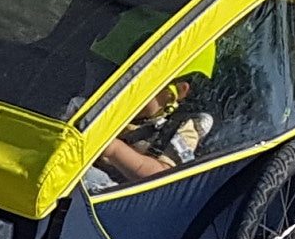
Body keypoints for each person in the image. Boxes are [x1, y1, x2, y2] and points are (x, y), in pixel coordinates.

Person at [82, 76, 215, 192]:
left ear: (177, 91)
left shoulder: (181, 130)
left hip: (119, 194)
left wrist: (114, 149)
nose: (126, 93)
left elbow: (161, 176)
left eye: (140, 86)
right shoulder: (102, 110)